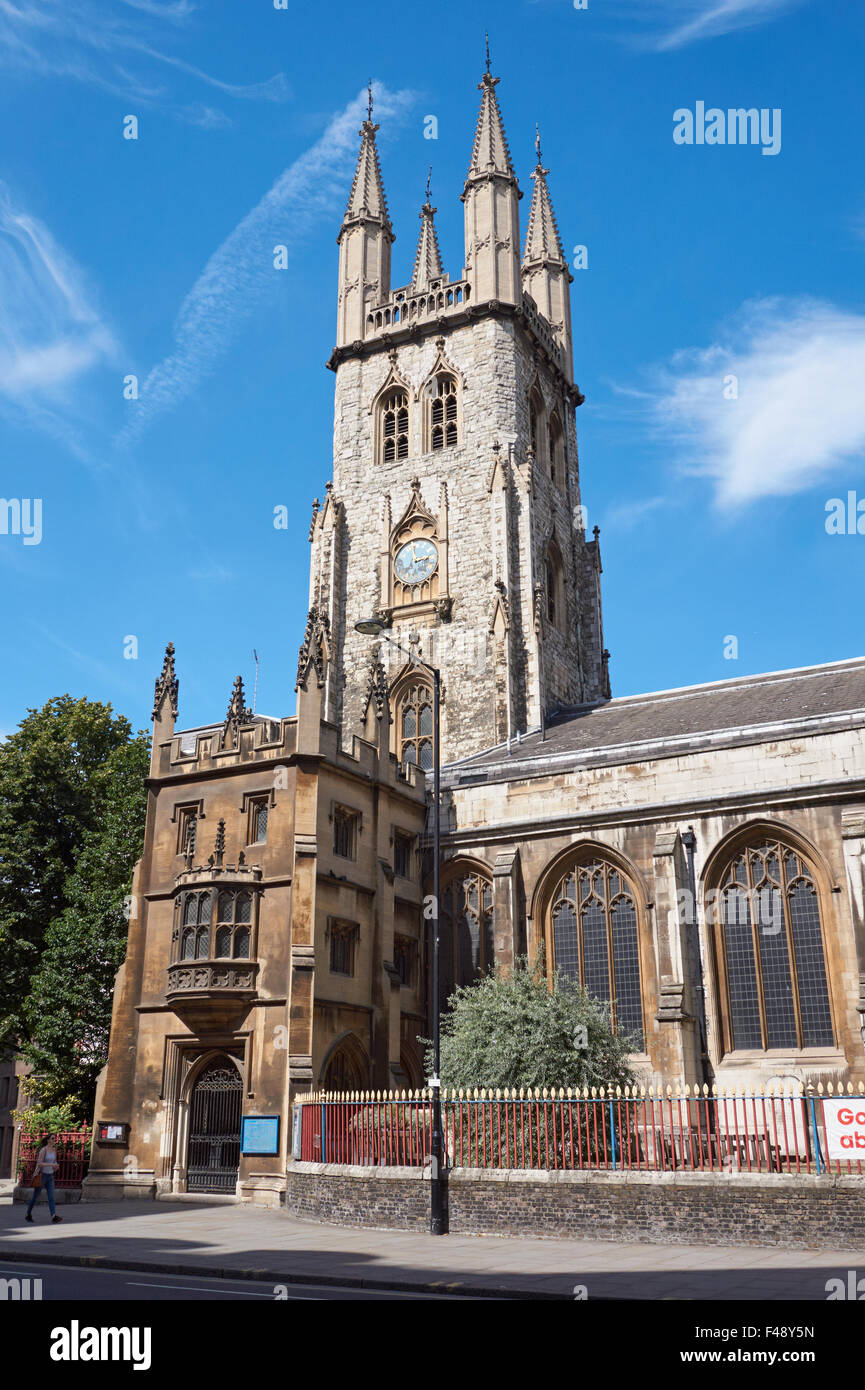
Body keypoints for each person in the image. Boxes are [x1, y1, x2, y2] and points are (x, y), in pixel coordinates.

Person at [24, 1133, 63, 1223]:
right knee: (35, 1196)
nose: (54, 1140)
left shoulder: (54, 1150)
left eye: (55, 1139)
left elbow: (54, 1162)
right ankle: (28, 1214)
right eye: (53, 1139)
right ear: (48, 1140)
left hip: (50, 1176)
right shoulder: (43, 1150)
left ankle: (53, 1216)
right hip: (42, 1176)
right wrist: (51, 1164)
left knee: (51, 1197)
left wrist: (56, 1166)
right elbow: (40, 1163)